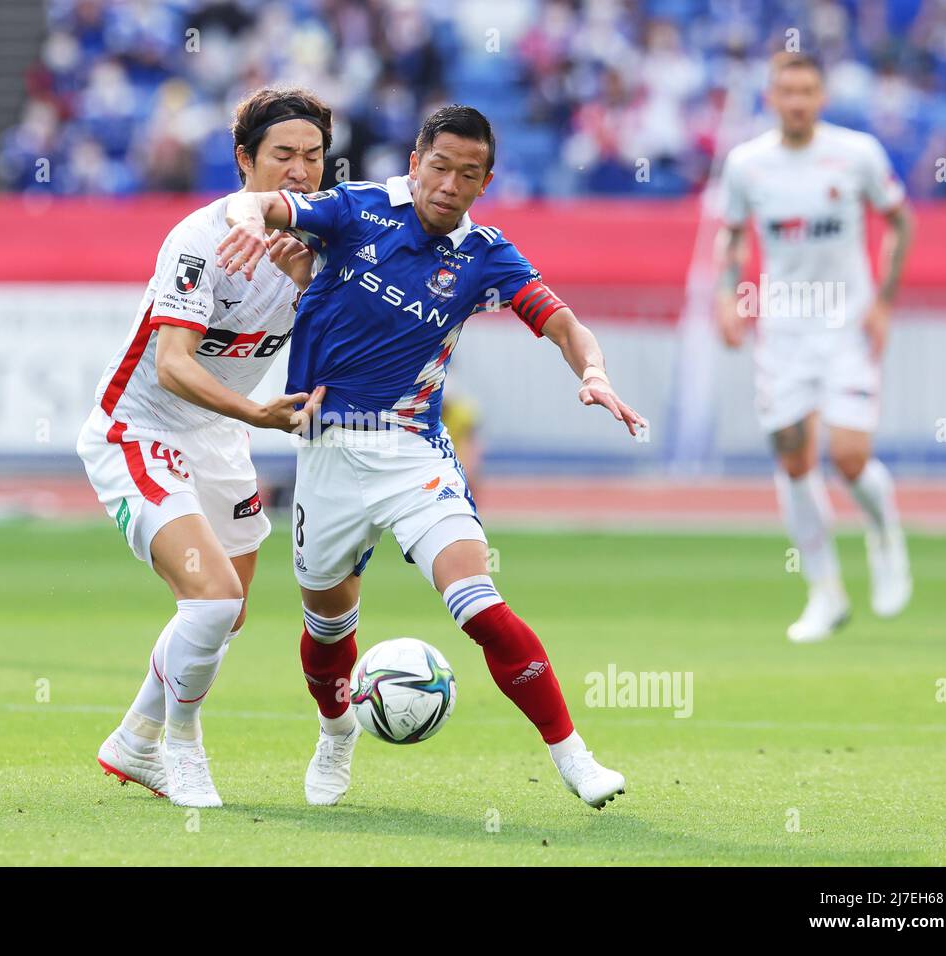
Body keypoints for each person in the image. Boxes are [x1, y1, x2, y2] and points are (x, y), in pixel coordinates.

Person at [217, 105, 645, 809]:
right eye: (439, 166)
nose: (449, 184)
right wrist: (250, 216)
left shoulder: (485, 255)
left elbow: (563, 323)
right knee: (326, 628)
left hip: (412, 450)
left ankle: (575, 758)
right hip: (325, 452)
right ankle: (336, 735)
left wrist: (592, 373)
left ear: (485, 182)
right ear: (416, 163)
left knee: (478, 603)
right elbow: (273, 201)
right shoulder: (357, 210)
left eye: (468, 174)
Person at [77, 87, 330, 808]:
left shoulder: (324, 241)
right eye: (282, 154)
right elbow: (174, 365)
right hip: (140, 429)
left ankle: (133, 739)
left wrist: (310, 281)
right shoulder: (201, 239)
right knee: (212, 600)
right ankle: (179, 748)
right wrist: (258, 412)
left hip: (217, 440)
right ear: (244, 160)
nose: (299, 171)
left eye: (312, 157)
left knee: (229, 613)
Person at [716, 52, 913, 643]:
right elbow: (732, 236)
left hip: (846, 328)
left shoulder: (857, 154)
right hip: (782, 335)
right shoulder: (747, 165)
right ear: (771, 98)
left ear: (821, 97)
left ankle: (883, 531)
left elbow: (901, 222)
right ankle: (825, 592)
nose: (797, 101)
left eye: (807, 91)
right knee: (795, 462)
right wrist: (730, 297)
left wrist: (882, 302)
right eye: (786, 92)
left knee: (850, 459)